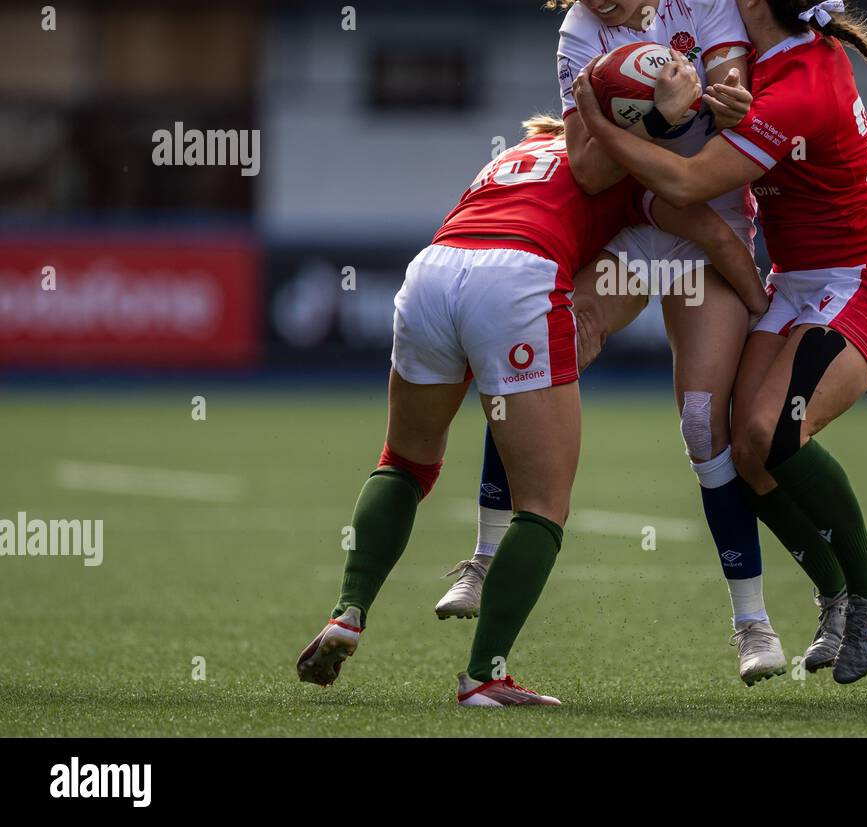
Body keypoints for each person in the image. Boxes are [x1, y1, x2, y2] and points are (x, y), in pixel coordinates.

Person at [437, 0, 839, 684]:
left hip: (710, 222)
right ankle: (481, 552)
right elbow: (588, 173)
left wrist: (699, 108)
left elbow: (731, 105)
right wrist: (658, 116)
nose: (597, 3)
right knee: (545, 344)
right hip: (642, 218)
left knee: (703, 423)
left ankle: (753, 622)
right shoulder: (580, 35)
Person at [296, 116, 767, 706]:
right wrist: (758, 306)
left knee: (405, 462)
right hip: (517, 276)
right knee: (544, 505)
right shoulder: (640, 162)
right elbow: (716, 237)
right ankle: (483, 676)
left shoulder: (525, 148)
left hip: (434, 269)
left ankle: (349, 610)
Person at [573, 0, 867, 683]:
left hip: (865, 278)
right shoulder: (771, 63)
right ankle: (834, 589)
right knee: (742, 450)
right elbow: (726, 106)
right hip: (798, 280)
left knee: (773, 431)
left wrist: (602, 123)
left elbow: (691, 183)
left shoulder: (798, 85)